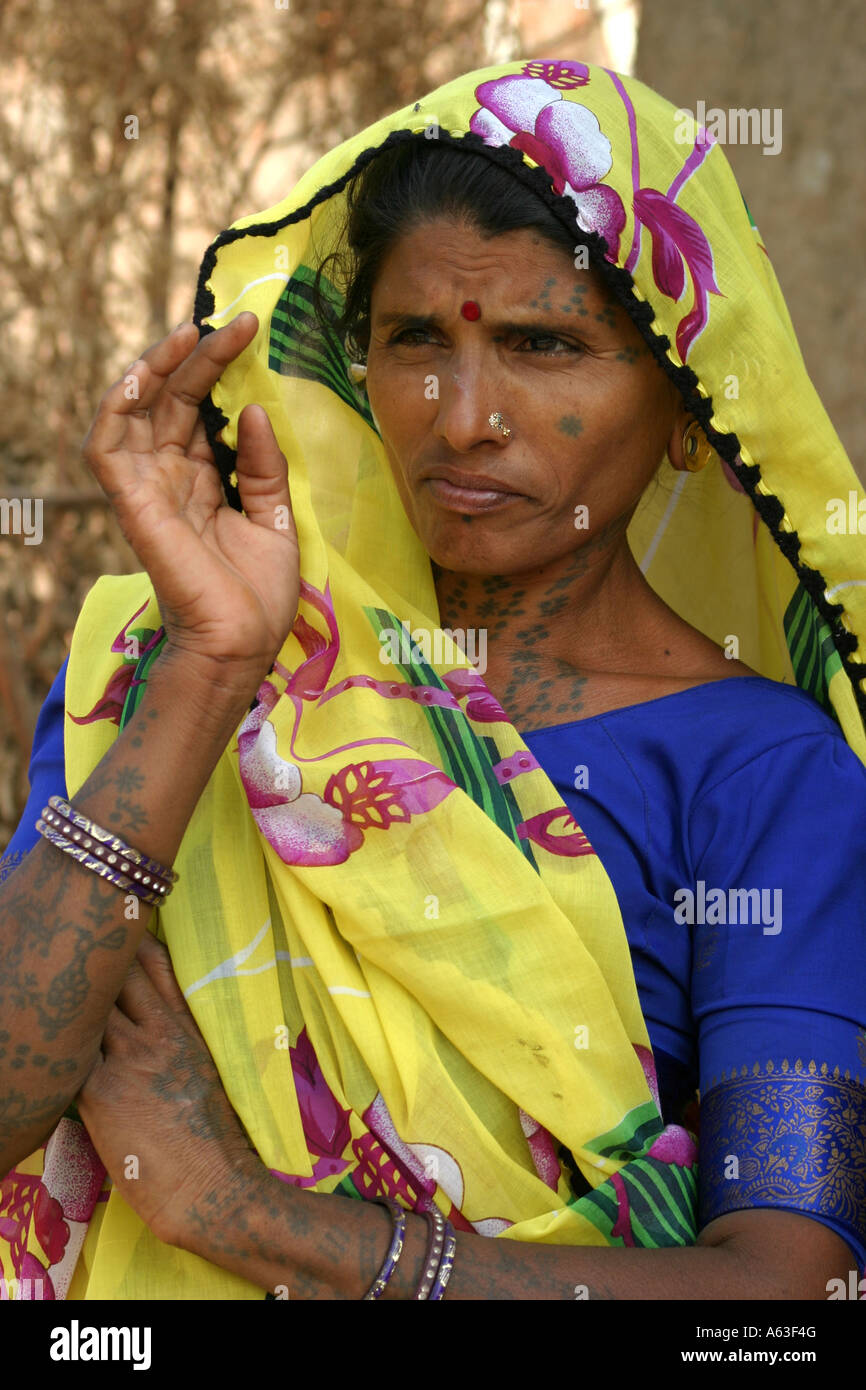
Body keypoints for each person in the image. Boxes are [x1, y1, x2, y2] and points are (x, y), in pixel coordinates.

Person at [1, 56, 864, 1301]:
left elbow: (782, 1296)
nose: (463, 417)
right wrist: (210, 663)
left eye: (543, 344)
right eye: (414, 341)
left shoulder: (767, 779)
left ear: (686, 404)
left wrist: (247, 1216)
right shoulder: (178, 678)